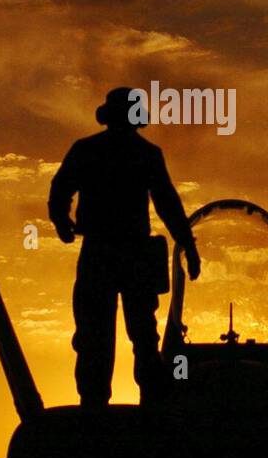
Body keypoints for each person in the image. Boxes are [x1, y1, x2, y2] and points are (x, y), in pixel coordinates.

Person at [48, 87, 201, 406]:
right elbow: (168, 205)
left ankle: (98, 405)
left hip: (106, 253)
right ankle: (140, 403)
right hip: (127, 254)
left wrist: (63, 223)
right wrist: (188, 245)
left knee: (104, 335)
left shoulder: (91, 150)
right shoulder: (145, 154)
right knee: (134, 334)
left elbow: (60, 190)